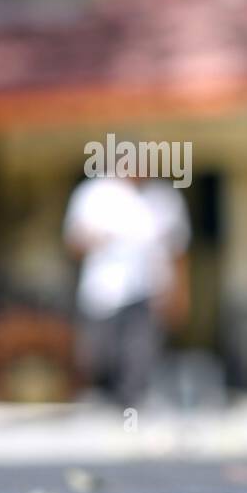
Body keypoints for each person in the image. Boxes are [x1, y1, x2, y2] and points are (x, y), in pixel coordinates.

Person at [62, 160, 190, 405]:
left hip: (147, 293)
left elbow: (178, 251)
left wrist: (179, 293)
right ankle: (102, 406)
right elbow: (73, 243)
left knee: (139, 357)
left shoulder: (164, 198)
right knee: (99, 356)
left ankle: (132, 413)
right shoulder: (94, 194)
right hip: (103, 295)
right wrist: (96, 240)